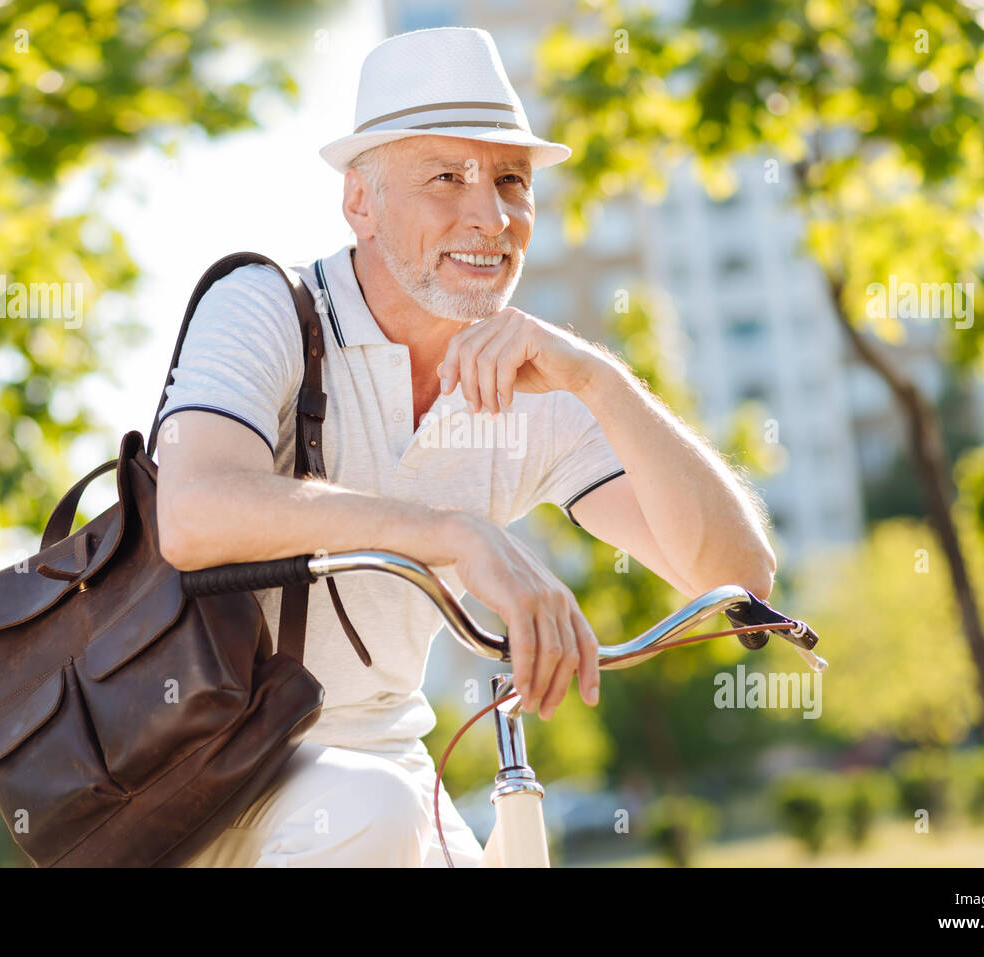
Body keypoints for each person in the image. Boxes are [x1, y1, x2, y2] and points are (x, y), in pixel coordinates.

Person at [157, 26, 776, 867]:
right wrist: (455, 532)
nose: (489, 214)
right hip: (207, 766)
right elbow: (190, 513)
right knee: (375, 811)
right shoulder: (265, 306)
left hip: (391, 761)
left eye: (510, 179)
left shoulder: (536, 379)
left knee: (419, 819)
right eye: (446, 176)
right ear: (360, 202)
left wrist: (601, 380)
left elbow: (738, 583)